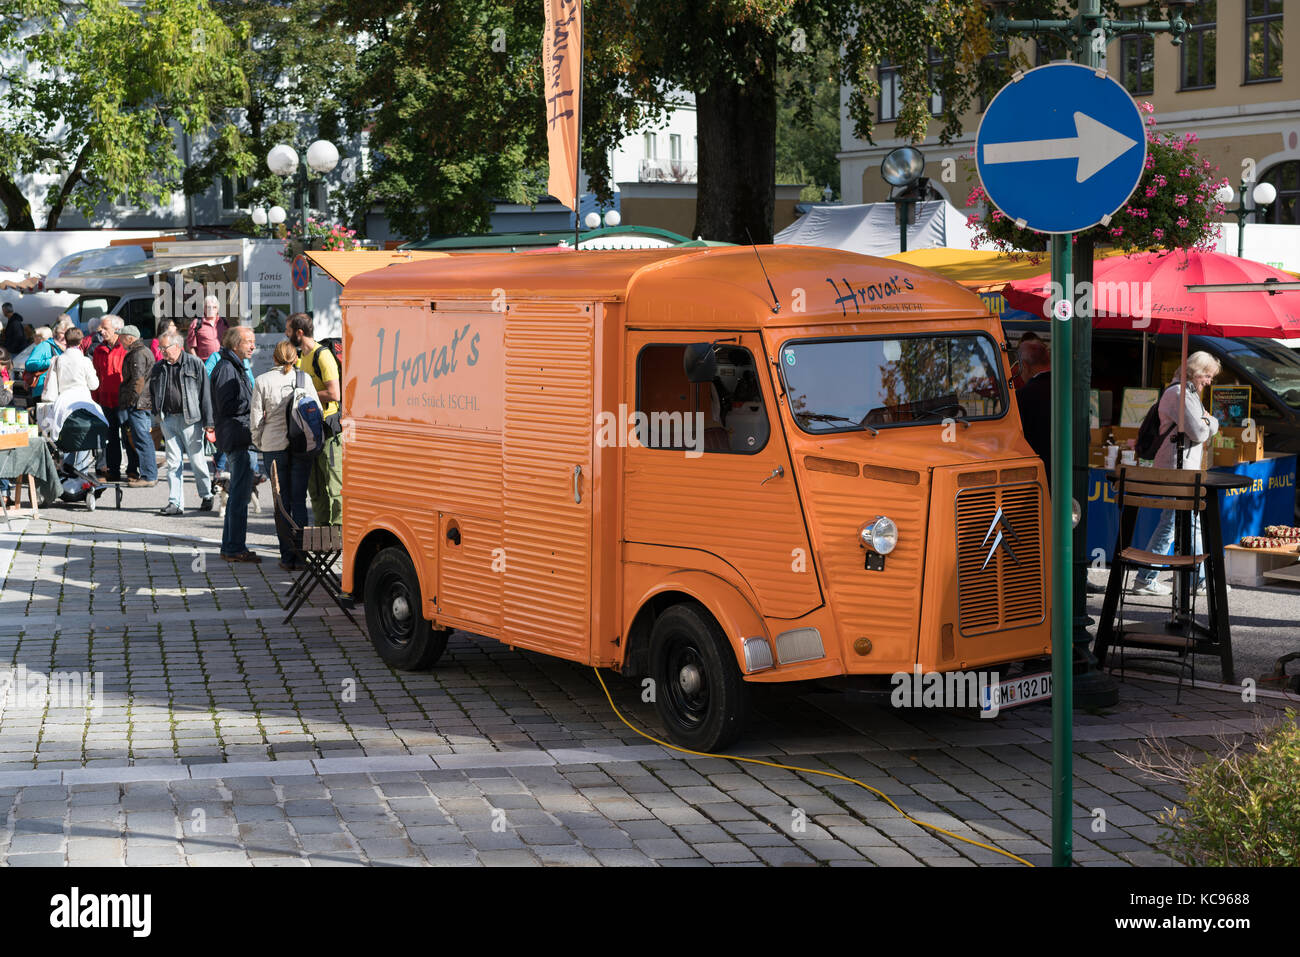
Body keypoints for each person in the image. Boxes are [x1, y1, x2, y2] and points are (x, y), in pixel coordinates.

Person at [1130, 351, 1222, 597]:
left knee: (1187, 522)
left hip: (1182, 469)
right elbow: (1200, 432)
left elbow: (1202, 425)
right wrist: (1212, 422)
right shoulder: (1179, 394)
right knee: (1171, 524)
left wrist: (1207, 421)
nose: (1210, 382)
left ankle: (1199, 579)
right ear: (1196, 371)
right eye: (1208, 376)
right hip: (1176, 469)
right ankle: (1145, 578)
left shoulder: (1186, 393)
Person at [253, 341, 319, 571]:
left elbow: (255, 420)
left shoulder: (262, 381)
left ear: (274, 358)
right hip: (301, 446)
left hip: (273, 446)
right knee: (299, 501)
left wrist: (260, 442)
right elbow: (316, 412)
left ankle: (286, 556)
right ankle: (301, 556)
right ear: (295, 358)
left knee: (281, 503)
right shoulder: (304, 379)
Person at [149, 331, 214, 515]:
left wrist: (209, 422)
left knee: (197, 461)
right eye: (160, 348)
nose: (162, 352)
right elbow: (153, 392)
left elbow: (205, 395)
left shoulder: (194, 363)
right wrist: (156, 417)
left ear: (177, 346)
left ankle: (207, 494)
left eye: (165, 348)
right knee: (173, 463)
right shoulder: (158, 367)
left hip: (191, 420)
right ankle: (175, 503)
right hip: (168, 419)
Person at [286, 313, 341, 525]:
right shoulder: (301, 358)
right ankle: (321, 532)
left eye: (288, 330)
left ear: (299, 333)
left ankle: (339, 535)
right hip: (310, 430)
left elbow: (335, 394)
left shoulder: (322, 355)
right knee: (316, 487)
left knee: (335, 485)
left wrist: (306, 395)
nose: (286, 334)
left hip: (328, 430)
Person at [212, 325, 260, 562]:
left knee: (239, 496)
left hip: (240, 435)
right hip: (237, 436)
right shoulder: (226, 368)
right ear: (234, 344)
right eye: (247, 341)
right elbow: (225, 404)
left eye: (253, 341)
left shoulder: (235, 366)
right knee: (239, 497)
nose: (252, 345)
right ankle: (234, 548)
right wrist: (253, 405)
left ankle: (229, 546)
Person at [118, 324, 158, 488]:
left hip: (138, 403)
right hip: (141, 401)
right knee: (140, 438)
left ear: (130, 338)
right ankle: (146, 472)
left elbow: (138, 380)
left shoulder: (138, 354)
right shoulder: (140, 351)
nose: (120, 340)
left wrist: (132, 401)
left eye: (122, 337)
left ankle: (149, 475)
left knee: (142, 438)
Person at [92, 316, 129, 481]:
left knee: (128, 436)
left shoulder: (126, 348)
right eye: (101, 328)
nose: (101, 331)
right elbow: (96, 376)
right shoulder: (99, 350)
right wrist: (95, 399)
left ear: (117, 329)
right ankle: (114, 470)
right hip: (105, 400)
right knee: (111, 438)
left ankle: (133, 470)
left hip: (123, 400)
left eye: (105, 328)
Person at [1015, 335, 1052, 483]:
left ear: (1025, 365)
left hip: (1037, 475)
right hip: (1070, 474)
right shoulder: (1069, 389)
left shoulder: (1023, 396)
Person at [24, 319, 69, 402]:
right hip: (43, 391)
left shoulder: (70, 348)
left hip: (62, 392)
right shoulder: (44, 346)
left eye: (68, 333)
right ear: (55, 334)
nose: (66, 336)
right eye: (62, 333)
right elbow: (29, 364)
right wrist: (50, 362)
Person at [186, 295, 229, 361]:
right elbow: (191, 346)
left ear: (218, 309)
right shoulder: (196, 323)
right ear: (204, 308)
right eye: (208, 307)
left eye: (214, 307)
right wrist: (198, 363)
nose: (211, 310)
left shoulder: (224, 323)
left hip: (223, 362)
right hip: (205, 363)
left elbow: (229, 342)